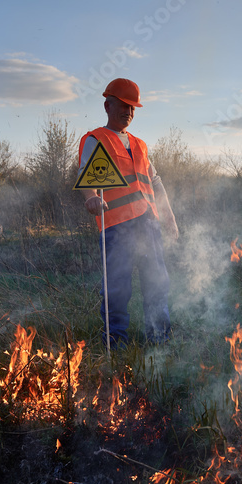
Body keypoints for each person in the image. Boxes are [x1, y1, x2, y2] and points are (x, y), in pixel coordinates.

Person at [78, 78, 179, 347]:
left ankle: (159, 340)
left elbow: (155, 184)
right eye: (124, 106)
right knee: (117, 289)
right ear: (107, 105)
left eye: (133, 108)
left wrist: (169, 218)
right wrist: (90, 199)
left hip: (148, 224)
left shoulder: (141, 145)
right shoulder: (95, 139)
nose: (129, 112)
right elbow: (85, 178)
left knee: (157, 283)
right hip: (116, 226)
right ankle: (115, 343)